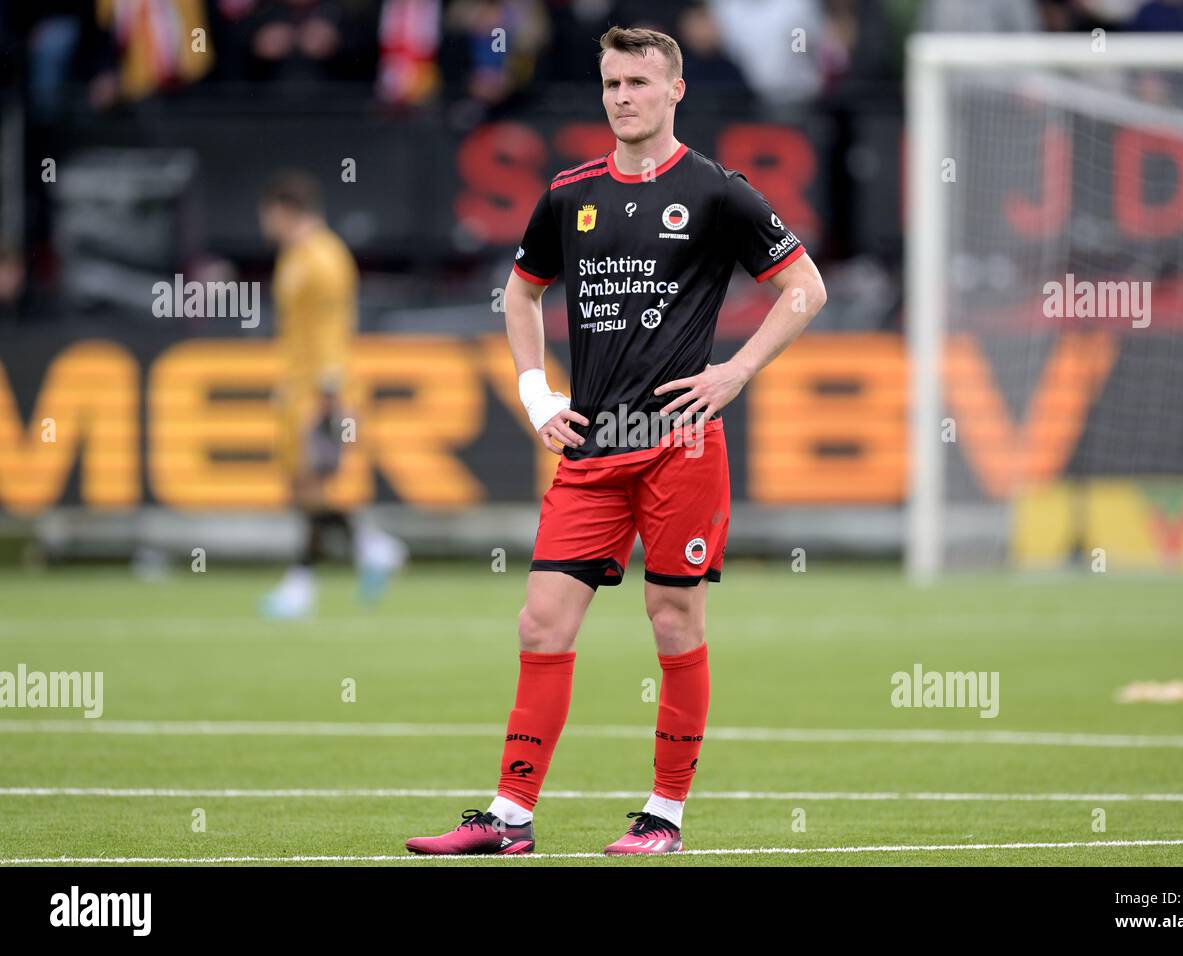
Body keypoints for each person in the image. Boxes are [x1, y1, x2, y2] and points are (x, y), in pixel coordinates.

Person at [406, 25, 825, 856]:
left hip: (681, 448)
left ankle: (663, 815)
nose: (622, 97)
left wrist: (733, 373)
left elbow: (804, 287)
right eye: (611, 84)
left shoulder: (717, 192)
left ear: (675, 90)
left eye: (638, 81)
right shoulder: (570, 195)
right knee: (540, 623)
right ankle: (509, 818)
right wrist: (535, 393)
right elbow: (519, 297)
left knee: (673, 621)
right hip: (593, 450)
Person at [257, 170, 406, 620]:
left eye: (269, 214)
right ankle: (372, 547)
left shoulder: (323, 258)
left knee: (312, 486)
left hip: (321, 391)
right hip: (300, 387)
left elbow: (330, 332)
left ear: (285, 210)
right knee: (306, 490)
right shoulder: (297, 256)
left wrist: (327, 392)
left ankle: (301, 582)